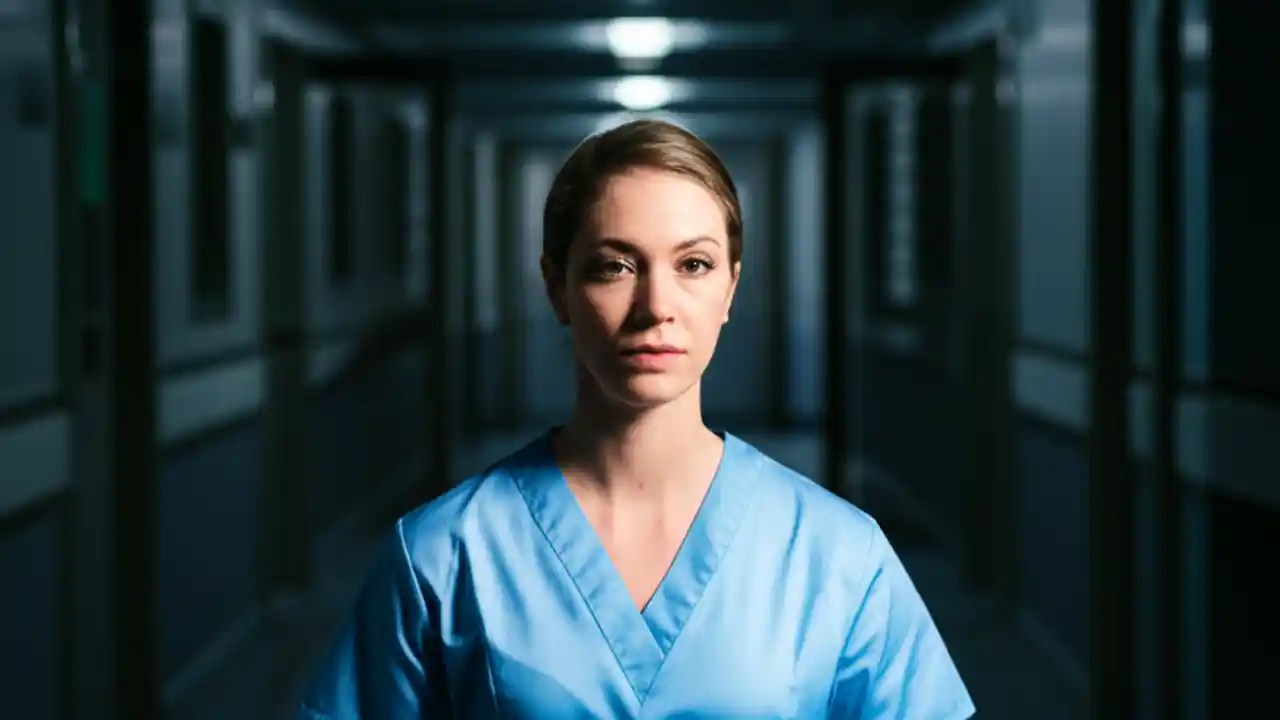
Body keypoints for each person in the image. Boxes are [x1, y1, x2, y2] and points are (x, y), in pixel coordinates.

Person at [295, 119, 974, 718]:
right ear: (556, 286)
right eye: (614, 266)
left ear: (731, 287)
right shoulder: (445, 556)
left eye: (694, 264)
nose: (656, 305)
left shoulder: (838, 556)